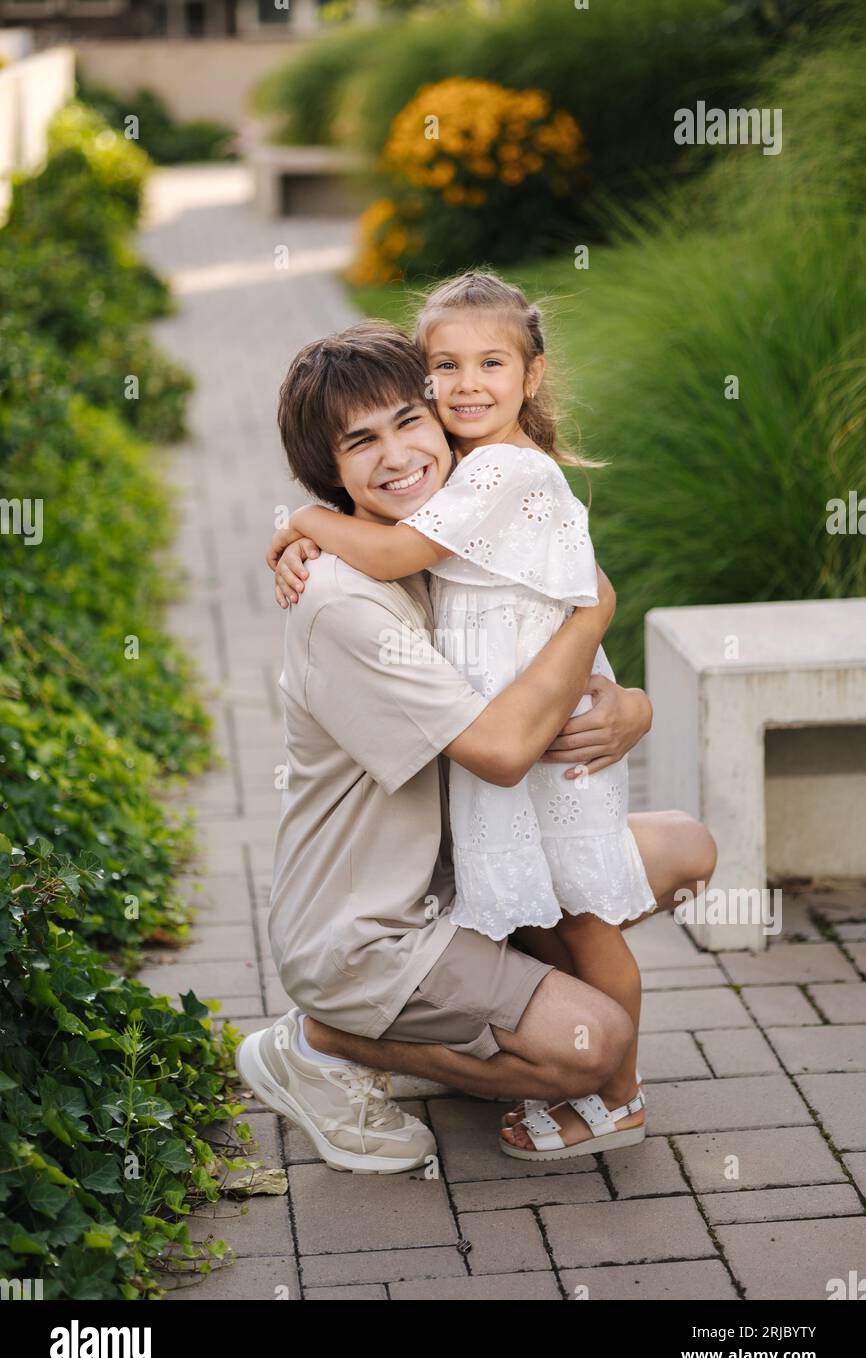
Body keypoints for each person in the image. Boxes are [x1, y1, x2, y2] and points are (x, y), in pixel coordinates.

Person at [236, 320, 716, 1171]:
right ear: (330, 472)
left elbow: (542, 680)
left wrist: (632, 707)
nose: (395, 457)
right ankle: (320, 1043)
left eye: (409, 421)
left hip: (463, 873)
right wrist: (594, 612)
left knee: (685, 846)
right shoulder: (347, 601)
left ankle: (482, 1024)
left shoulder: (443, 545)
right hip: (374, 931)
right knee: (593, 1045)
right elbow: (501, 749)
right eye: (361, 443)